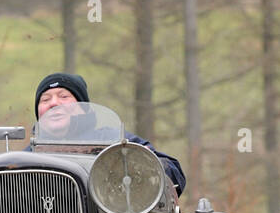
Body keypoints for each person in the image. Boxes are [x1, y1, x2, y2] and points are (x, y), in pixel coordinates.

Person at [32, 72, 187, 195]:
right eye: (45, 100)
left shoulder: (112, 140)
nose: (53, 103)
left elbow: (171, 169)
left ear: (83, 106)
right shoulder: (27, 157)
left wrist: (140, 165)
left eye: (63, 96)